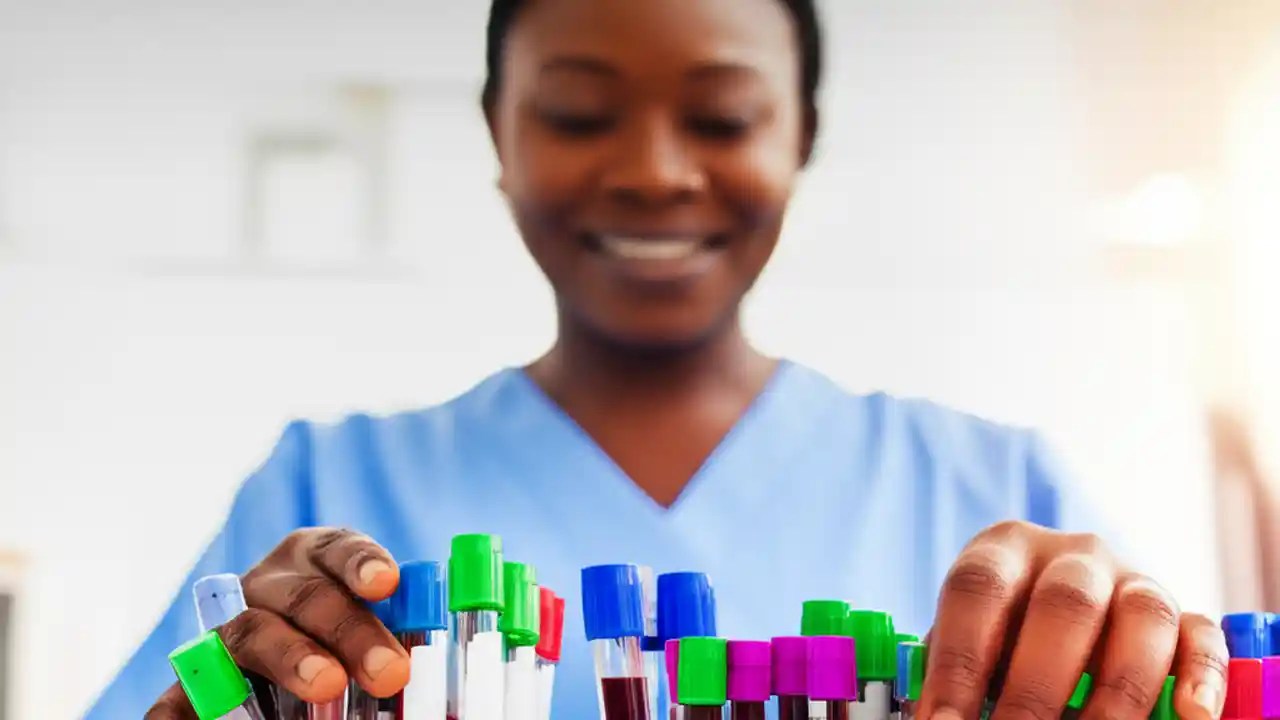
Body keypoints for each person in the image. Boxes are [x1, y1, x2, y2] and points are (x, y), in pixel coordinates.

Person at [88, 0, 1227, 718]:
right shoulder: (325, 488)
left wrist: (1158, 671)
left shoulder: (996, 487)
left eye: (724, 118)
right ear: (498, 133)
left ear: (801, 136)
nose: (651, 171)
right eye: (580, 115)